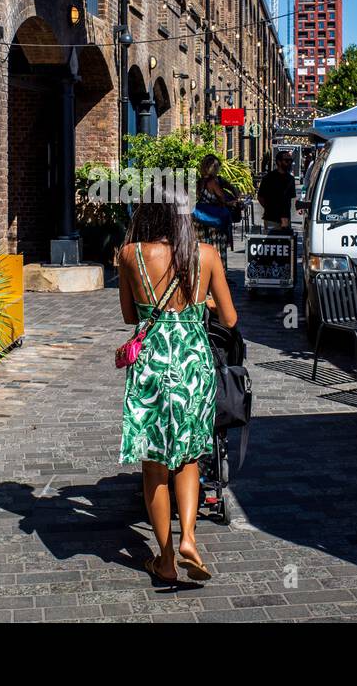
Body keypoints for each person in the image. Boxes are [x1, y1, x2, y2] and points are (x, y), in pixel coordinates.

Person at [117, 192, 238, 586]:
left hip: (152, 361)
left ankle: (165, 559)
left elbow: (129, 315)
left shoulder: (130, 254)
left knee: (154, 466)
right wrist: (203, 303)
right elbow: (232, 318)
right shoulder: (206, 256)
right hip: (192, 362)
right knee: (188, 458)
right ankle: (188, 539)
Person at [256, 148, 295, 232]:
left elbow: (291, 198)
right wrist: (270, 209)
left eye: (291, 160)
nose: (289, 163)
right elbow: (260, 197)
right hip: (271, 218)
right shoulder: (268, 178)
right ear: (278, 162)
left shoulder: (291, 179)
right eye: (286, 160)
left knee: (285, 243)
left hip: (286, 219)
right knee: (272, 241)